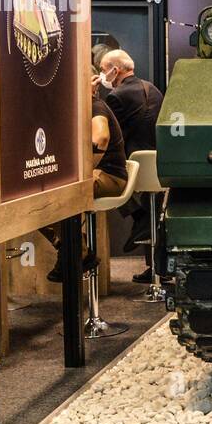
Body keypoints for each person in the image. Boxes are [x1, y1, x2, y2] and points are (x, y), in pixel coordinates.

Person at [42, 86, 128, 282]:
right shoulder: (76, 108)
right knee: (33, 202)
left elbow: (101, 138)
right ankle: (74, 248)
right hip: (100, 174)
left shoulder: (94, 105)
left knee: (49, 198)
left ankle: (74, 249)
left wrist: (85, 172)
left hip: (110, 176)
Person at [97, 49, 164, 282]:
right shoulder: (152, 89)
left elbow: (107, 133)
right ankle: (157, 267)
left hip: (134, 166)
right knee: (152, 209)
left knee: (108, 178)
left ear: (115, 70)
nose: (102, 74)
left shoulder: (116, 97)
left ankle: (140, 220)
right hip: (158, 166)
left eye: (103, 69)